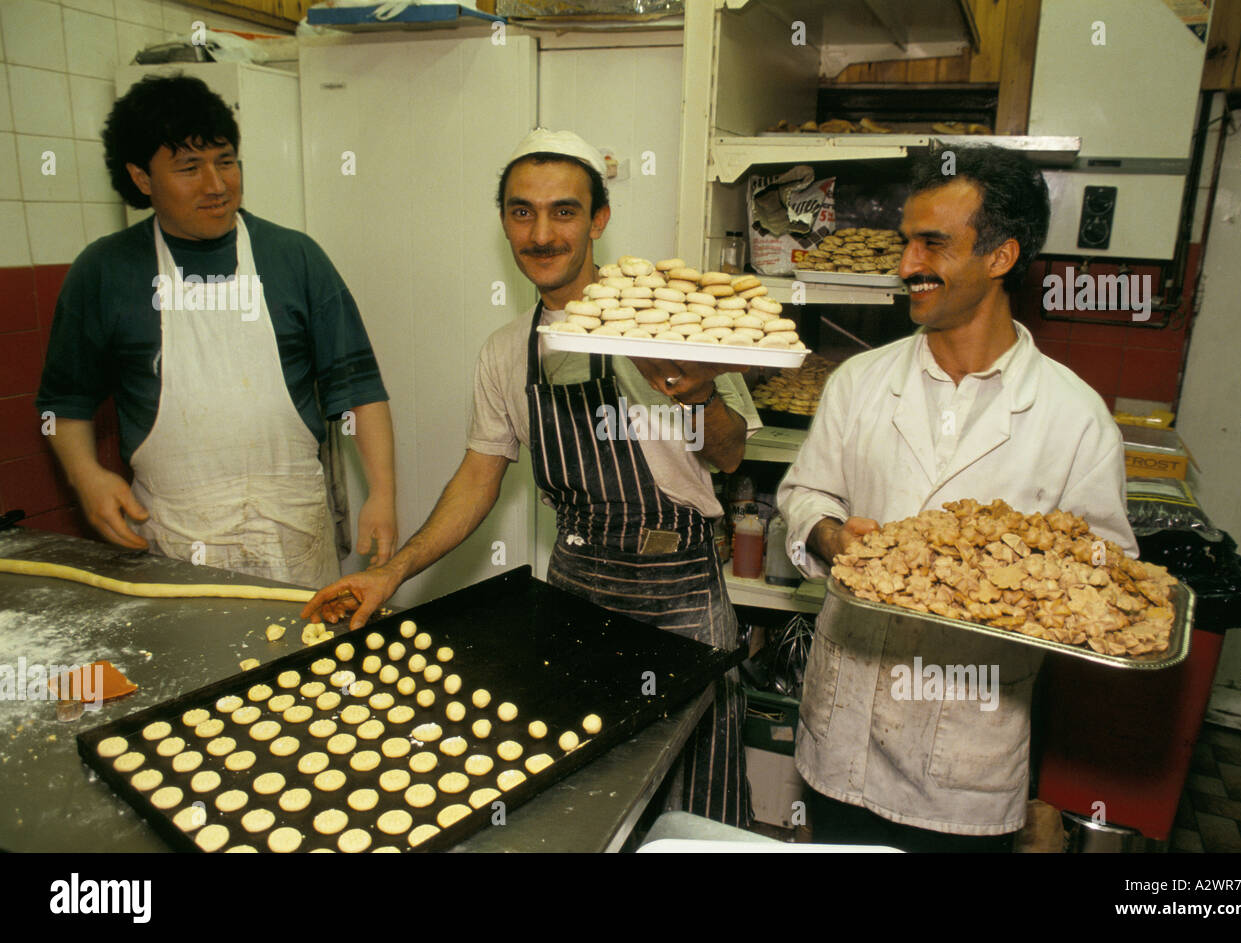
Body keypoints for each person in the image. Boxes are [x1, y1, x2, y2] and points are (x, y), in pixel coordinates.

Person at [303, 129, 759, 826]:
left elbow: (730, 455)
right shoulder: (506, 351)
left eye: (564, 212)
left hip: (679, 601)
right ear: (505, 223)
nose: (542, 234)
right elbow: (477, 482)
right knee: (584, 804)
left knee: (689, 813)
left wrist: (694, 390)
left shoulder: (671, 317)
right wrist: (390, 573)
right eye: (522, 212)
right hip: (574, 595)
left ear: (598, 220)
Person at [776, 146, 1138, 851]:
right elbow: (803, 492)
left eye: (932, 244)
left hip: (963, 760)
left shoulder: (1074, 418)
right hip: (840, 733)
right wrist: (827, 537)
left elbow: (1110, 570)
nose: (906, 264)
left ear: (1001, 256)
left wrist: (1033, 589)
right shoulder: (860, 382)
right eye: (905, 242)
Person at [37, 74, 395, 586]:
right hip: (172, 538)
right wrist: (86, 475)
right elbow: (62, 404)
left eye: (225, 161)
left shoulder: (295, 258)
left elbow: (359, 390)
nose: (217, 184)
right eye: (189, 168)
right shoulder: (104, 271)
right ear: (141, 178)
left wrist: (381, 493)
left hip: (293, 531)